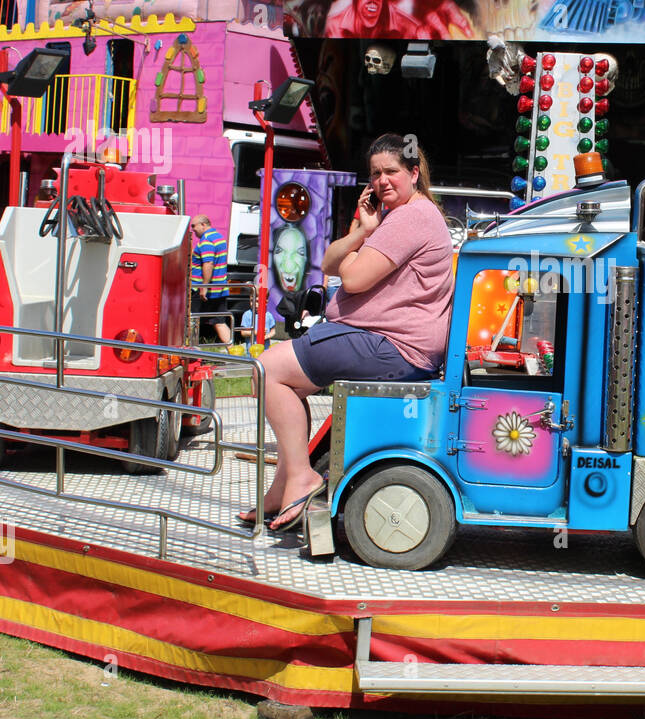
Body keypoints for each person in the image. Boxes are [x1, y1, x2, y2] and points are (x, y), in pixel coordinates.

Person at [242, 134, 454, 532]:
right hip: (390, 343)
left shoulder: (412, 216)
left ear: (413, 172)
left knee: (267, 369)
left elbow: (352, 278)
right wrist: (363, 231)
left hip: (391, 344)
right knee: (284, 382)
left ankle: (300, 478)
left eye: (391, 171)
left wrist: (359, 249)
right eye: (375, 174)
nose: (381, 181)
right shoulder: (401, 217)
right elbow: (328, 262)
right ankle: (285, 483)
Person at [189, 215, 233, 345]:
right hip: (219, 288)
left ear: (203, 225)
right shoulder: (219, 238)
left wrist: (204, 286)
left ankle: (192, 352)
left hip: (202, 290)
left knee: (193, 321)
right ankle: (236, 353)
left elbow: (208, 263)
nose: (193, 229)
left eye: (194, 226)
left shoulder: (206, 240)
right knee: (219, 322)